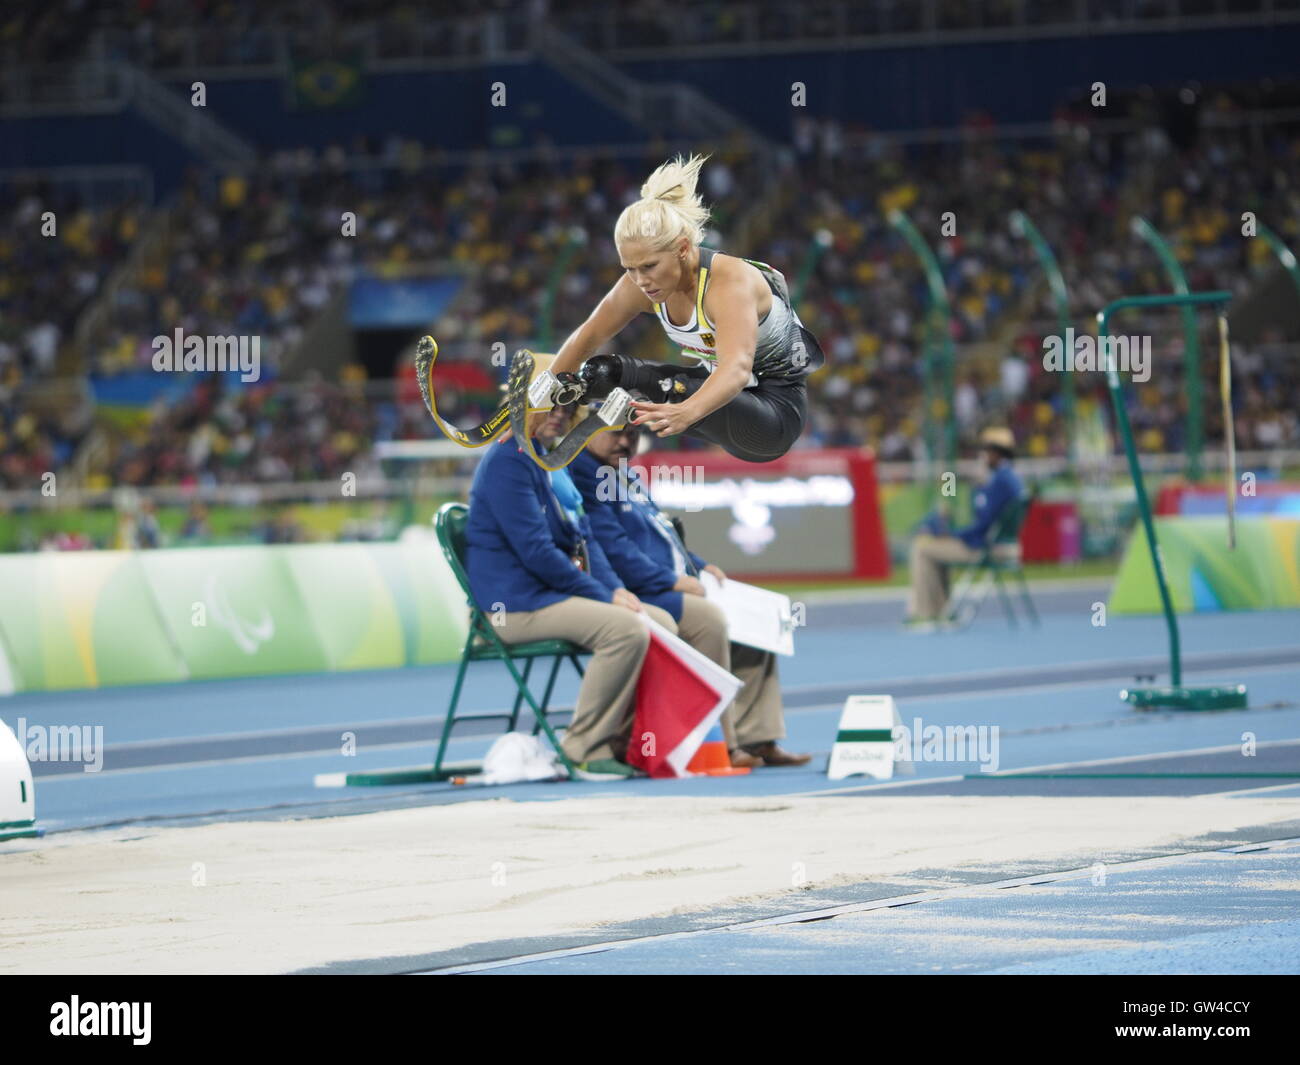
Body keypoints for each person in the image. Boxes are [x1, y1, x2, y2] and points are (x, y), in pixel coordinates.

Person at [542, 153, 825, 463]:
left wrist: (684, 411)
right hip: (708, 396)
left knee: (674, 388)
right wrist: (540, 400)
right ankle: (567, 412)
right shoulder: (639, 283)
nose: (640, 281)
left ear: (683, 249)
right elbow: (589, 335)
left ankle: (633, 402)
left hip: (771, 421)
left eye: (649, 266)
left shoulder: (730, 283)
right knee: (604, 371)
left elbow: (736, 370)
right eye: (630, 268)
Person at [570, 409, 812, 767]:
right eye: (615, 434)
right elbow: (613, 548)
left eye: (632, 435)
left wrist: (698, 565)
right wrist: (669, 580)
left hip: (661, 585)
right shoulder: (583, 475)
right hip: (636, 591)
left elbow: (662, 532)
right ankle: (721, 745)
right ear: (587, 431)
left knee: (757, 620)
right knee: (710, 619)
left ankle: (758, 738)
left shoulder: (625, 473)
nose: (625, 442)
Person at [466, 393, 675, 781]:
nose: (560, 416)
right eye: (551, 406)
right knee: (626, 630)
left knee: (658, 621)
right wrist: (603, 596)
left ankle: (624, 741)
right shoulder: (508, 461)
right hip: (514, 607)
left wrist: (615, 590)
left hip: (545, 597)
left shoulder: (547, 461)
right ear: (520, 406)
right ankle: (582, 747)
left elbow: (584, 537)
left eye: (566, 409)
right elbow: (538, 554)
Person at [905, 426, 1025, 629]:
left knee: (922, 549)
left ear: (996, 453)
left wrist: (951, 534)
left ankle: (926, 613)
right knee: (935, 548)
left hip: (991, 549)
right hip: (1003, 545)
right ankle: (941, 611)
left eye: (986, 452)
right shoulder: (1010, 479)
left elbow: (983, 525)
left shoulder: (1001, 481)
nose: (983, 457)